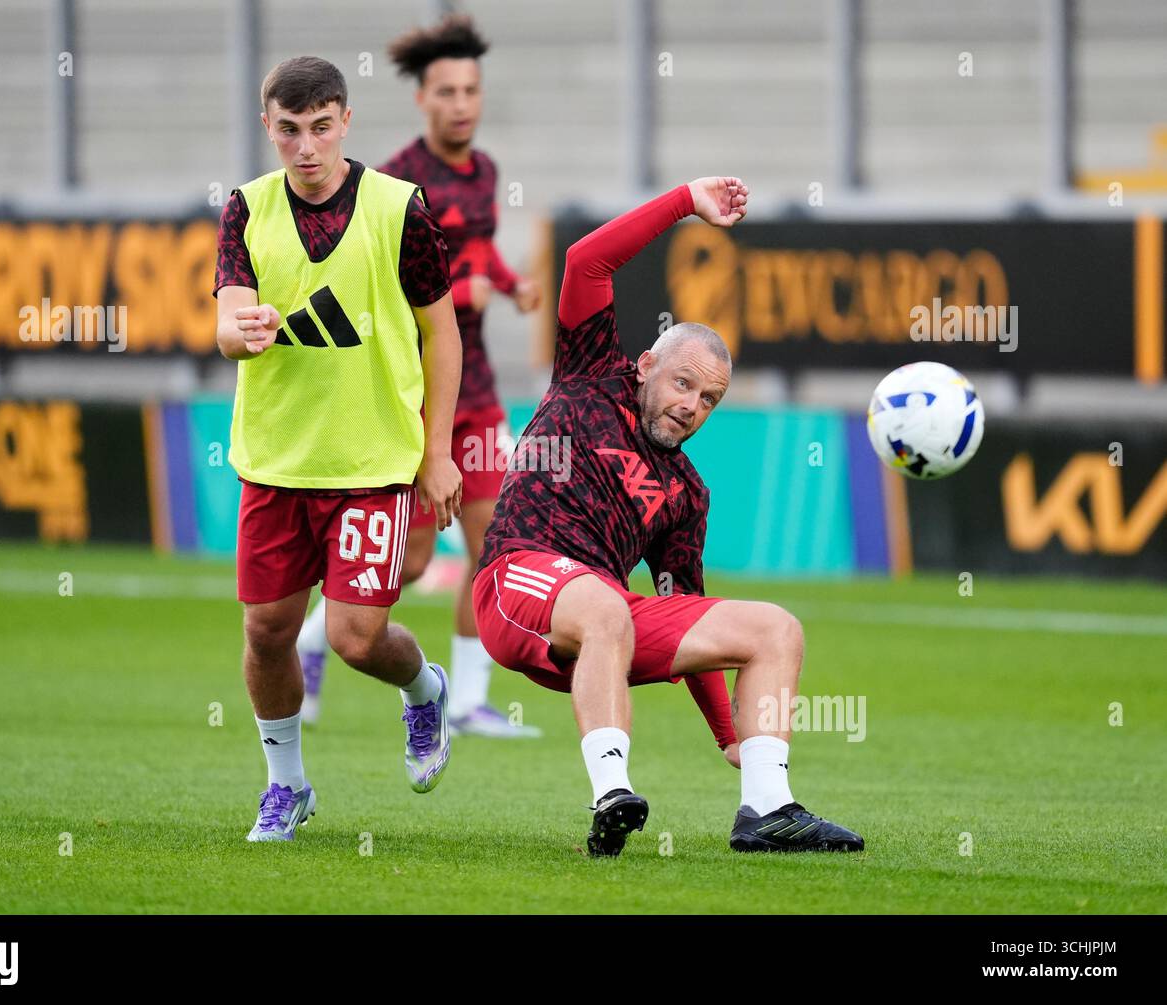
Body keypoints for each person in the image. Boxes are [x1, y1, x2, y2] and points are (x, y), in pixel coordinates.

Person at [471, 175, 865, 856]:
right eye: (683, 383)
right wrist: (686, 200)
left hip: (603, 622)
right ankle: (611, 792)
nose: (691, 405)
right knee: (607, 604)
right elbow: (585, 260)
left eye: (709, 398)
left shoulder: (686, 492)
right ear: (647, 363)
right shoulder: (592, 374)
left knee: (774, 629)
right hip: (517, 582)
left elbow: (683, 605)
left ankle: (767, 806)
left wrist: (727, 734)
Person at [214, 56, 463, 841]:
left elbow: (441, 334)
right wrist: (238, 335)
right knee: (266, 632)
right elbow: (228, 322)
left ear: (345, 121)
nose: (306, 147)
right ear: (270, 128)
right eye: (289, 131)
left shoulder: (400, 209)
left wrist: (438, 451)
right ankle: (286, 784)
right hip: (277, 462)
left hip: (371, 464)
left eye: (321, 127)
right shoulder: (245, 209)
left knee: (356, 638)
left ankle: (425, 691)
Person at [297, 15, 543, 739]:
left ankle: (467, 699)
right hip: (416, 395)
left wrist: (507, 281)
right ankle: (313, 644)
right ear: (422, 100)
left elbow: (479, 251)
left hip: (479, 391)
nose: (461, 103)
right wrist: (457, 293)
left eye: (470, 89)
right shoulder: (396, 184)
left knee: (494, 542)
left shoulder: (488, 171)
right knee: (404, 564)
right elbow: (381, 288)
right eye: (447, 91)